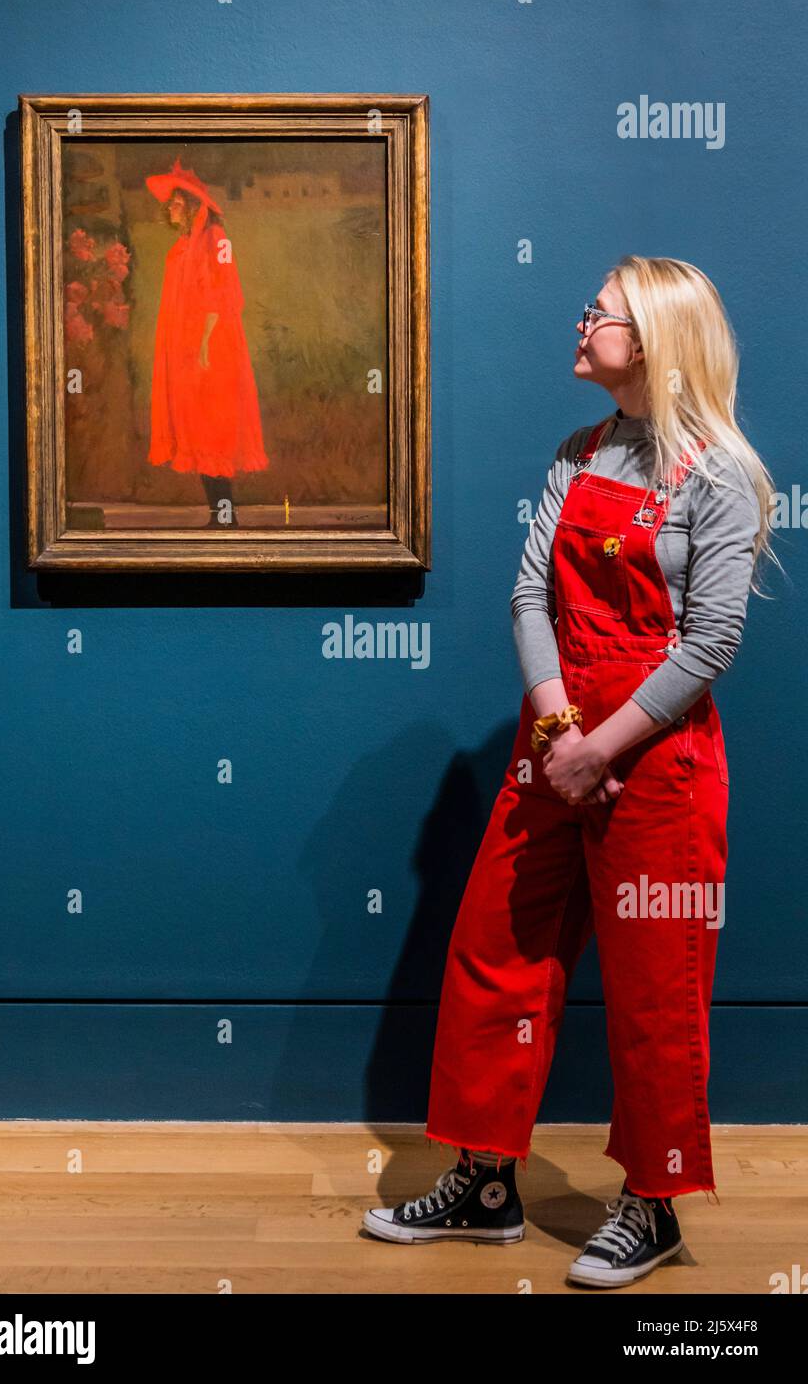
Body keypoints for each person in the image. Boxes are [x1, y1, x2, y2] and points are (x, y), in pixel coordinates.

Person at [363, 256, 778, 1288]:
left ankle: (656, 1202)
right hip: (552, 747)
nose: (581, 322)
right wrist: (558, 733)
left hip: (660, 761)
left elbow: (711, 641)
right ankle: (486, 1179)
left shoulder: (720, 473)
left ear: (655, 339)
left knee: (655, 989)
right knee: (495, 949)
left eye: (600, 313)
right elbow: (528, 600)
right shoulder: (578, 451)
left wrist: (605, 744)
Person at [144, 159, 269, 526]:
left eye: (177, 202)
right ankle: (219, 515)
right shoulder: (184, 243)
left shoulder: (217, 238)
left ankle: (225, 515)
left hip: (212, 345)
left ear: (193, 203)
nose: (169, 208)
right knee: (196, 426)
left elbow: (224, 289)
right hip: (187, 346)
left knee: (213, 427)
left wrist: (204, 342)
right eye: (169, 204)